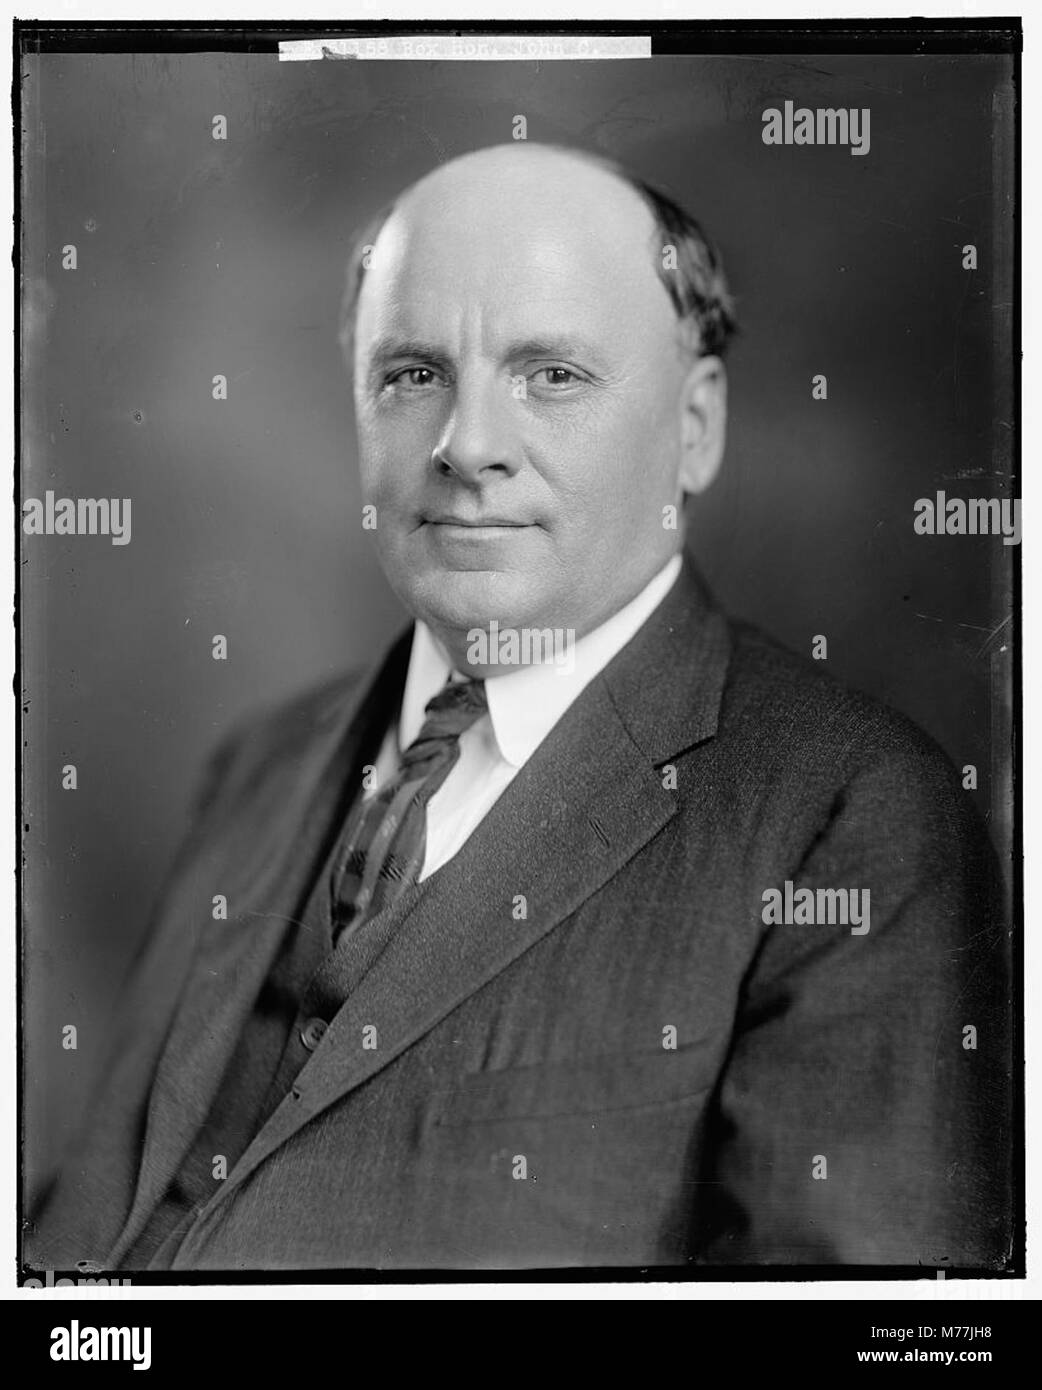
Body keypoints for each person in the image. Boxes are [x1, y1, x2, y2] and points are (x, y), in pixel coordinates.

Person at [27, 143, 1011, 1272]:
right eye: (411, 373)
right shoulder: (260, 764)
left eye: (552, 375)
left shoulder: (855, 812)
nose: (468, 447)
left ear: (693, 429)